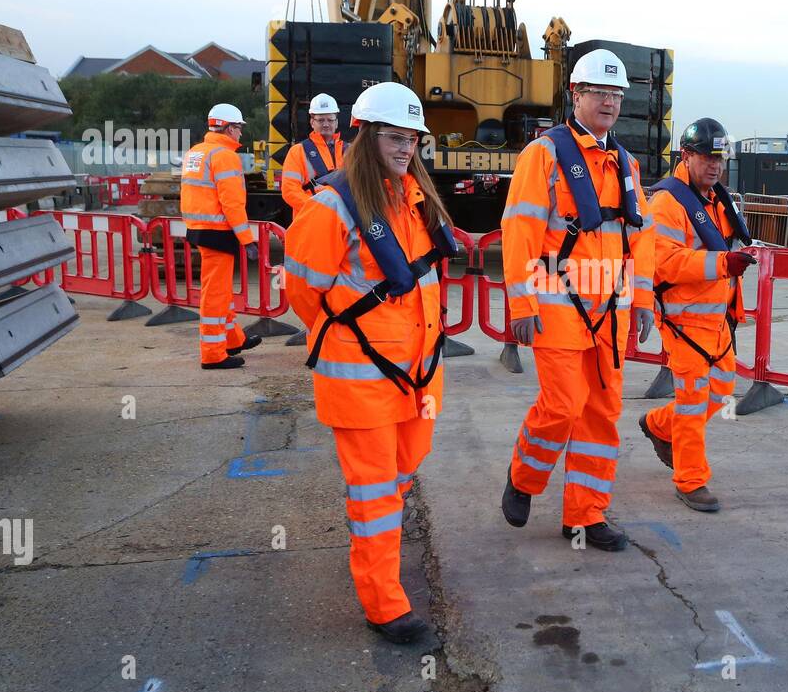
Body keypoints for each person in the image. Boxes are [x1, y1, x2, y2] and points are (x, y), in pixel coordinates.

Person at [284, 82, 459, 644]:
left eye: (412, 138)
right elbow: (304, 293)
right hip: (361, 379)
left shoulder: (415, 197)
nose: (406, 147)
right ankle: (384, 603)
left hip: (419, 374)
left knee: (404, 472)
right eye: (394, 137)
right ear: (364, 135)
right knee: (376, 490)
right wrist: (352, 339)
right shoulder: (331, 203)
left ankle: (368, 549)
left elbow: (427, 281)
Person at [498, 48, 655, 552]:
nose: (609, 102)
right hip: (558, 308)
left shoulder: (625, 163)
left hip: (610, 313)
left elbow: (642, 238)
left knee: (601, 415)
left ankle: (585, 516)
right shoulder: (543, 155)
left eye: (616, 94)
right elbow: (519, 230)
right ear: (576, 95)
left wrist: (645, 300)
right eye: (599, 93)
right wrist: (521, 303)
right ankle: (523, 478)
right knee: (563, 406)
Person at [638, 118, 756, 511]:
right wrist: (724, 263)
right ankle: (690, 480)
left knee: (722, 391)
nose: (715, 165)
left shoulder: (715, 200)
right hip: (683, 320)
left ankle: (657, 424)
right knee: (692, 400)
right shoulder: (666, 203)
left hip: (716, 320)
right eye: (707, 157)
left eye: (719, 158)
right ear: (686, 157)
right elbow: (667, 264)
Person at [179, 103, 262, 370]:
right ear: (227, 128)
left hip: (199, 228)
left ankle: (233, 339)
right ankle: (213, 354)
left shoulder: (196, 152)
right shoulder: (225, 156)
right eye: (239, 128)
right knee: (215, 296)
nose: (241, 134)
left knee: (219, 291)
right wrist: (247, 239)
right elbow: (233, 204)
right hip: (218, 231)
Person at [280, 93, 344, 219]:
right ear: (312, 122)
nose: (326, 124)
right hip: (310, 220)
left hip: (343, 221)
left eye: (330, 120)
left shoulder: (349, 151)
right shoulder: (298, 152)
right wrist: (317, 208)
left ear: (336, 123)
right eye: (320, 120)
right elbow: (289, 190)